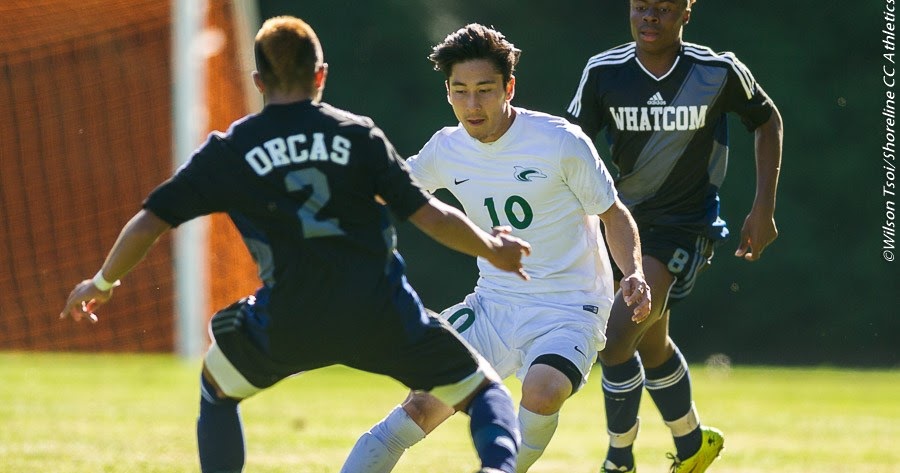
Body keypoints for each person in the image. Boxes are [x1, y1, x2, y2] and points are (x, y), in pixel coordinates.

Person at [59, 16, 535, 473]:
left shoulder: (231, 149)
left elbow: (149, 222)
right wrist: (492, 249)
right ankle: (496, 467)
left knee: (217, 387)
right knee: (485, 394)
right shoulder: (357, 135)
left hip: (288, 317)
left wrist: (102, 282)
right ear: (320, 76)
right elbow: (430, 214)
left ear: (259, 81)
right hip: (380, 313)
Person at [340, 24, 651, 473]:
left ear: (509, 87)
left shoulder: (559, 141)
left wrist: (635, 272)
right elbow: (392, 192)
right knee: (421, 406)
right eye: (459, 91)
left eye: (484, 90)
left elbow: (613, 214)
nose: (472, 104)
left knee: (543, 390)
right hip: (494, 303)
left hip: (570, 306)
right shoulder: (446, 149)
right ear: (447, 92)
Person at [565, 1, 784, 472]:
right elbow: (571, 148)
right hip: (624, 227)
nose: (649, 17)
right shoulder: (603, 71)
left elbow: (767, 121)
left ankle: (618, 461)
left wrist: (762, 206)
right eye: (641, 7)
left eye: (663, 8)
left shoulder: (717, 70)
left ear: (687, 12)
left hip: (686, 229)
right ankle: (691, 448)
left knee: (616, 337)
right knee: (650, 342)